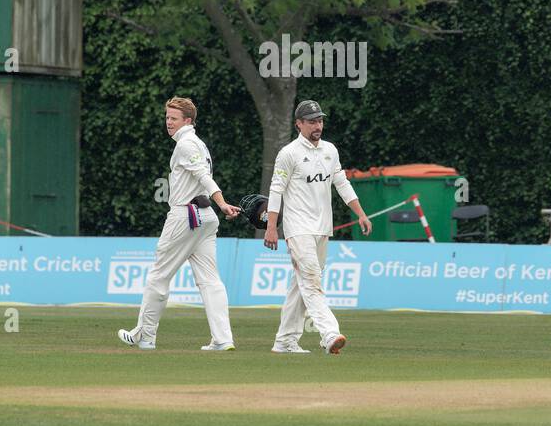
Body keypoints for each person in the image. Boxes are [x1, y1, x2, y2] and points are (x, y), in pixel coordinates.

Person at [118, 97, 242, 351]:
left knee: (159, 276)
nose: (168, 122)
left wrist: (222, 203)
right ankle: (223, 338)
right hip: (205, 218)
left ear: (188, 120)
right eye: (167, 117)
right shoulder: (200, 144)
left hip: (186, 215)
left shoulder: (186, 145)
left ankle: (146, 336)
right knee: (210, 280)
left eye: (173, 118)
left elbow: (203, 178)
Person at [264, 100, 372, 355]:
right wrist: (271, 227)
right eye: (311, 121)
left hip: (322, 227)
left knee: (299, 286)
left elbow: (342, 183)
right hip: (298, 228)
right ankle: (329, 333)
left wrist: (361, 213)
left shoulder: (330, 150)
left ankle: (285, 341)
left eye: (320, 120)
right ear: (298, 124)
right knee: (312, 281)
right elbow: (276, 189)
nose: (317, 125)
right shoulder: (288, 153)